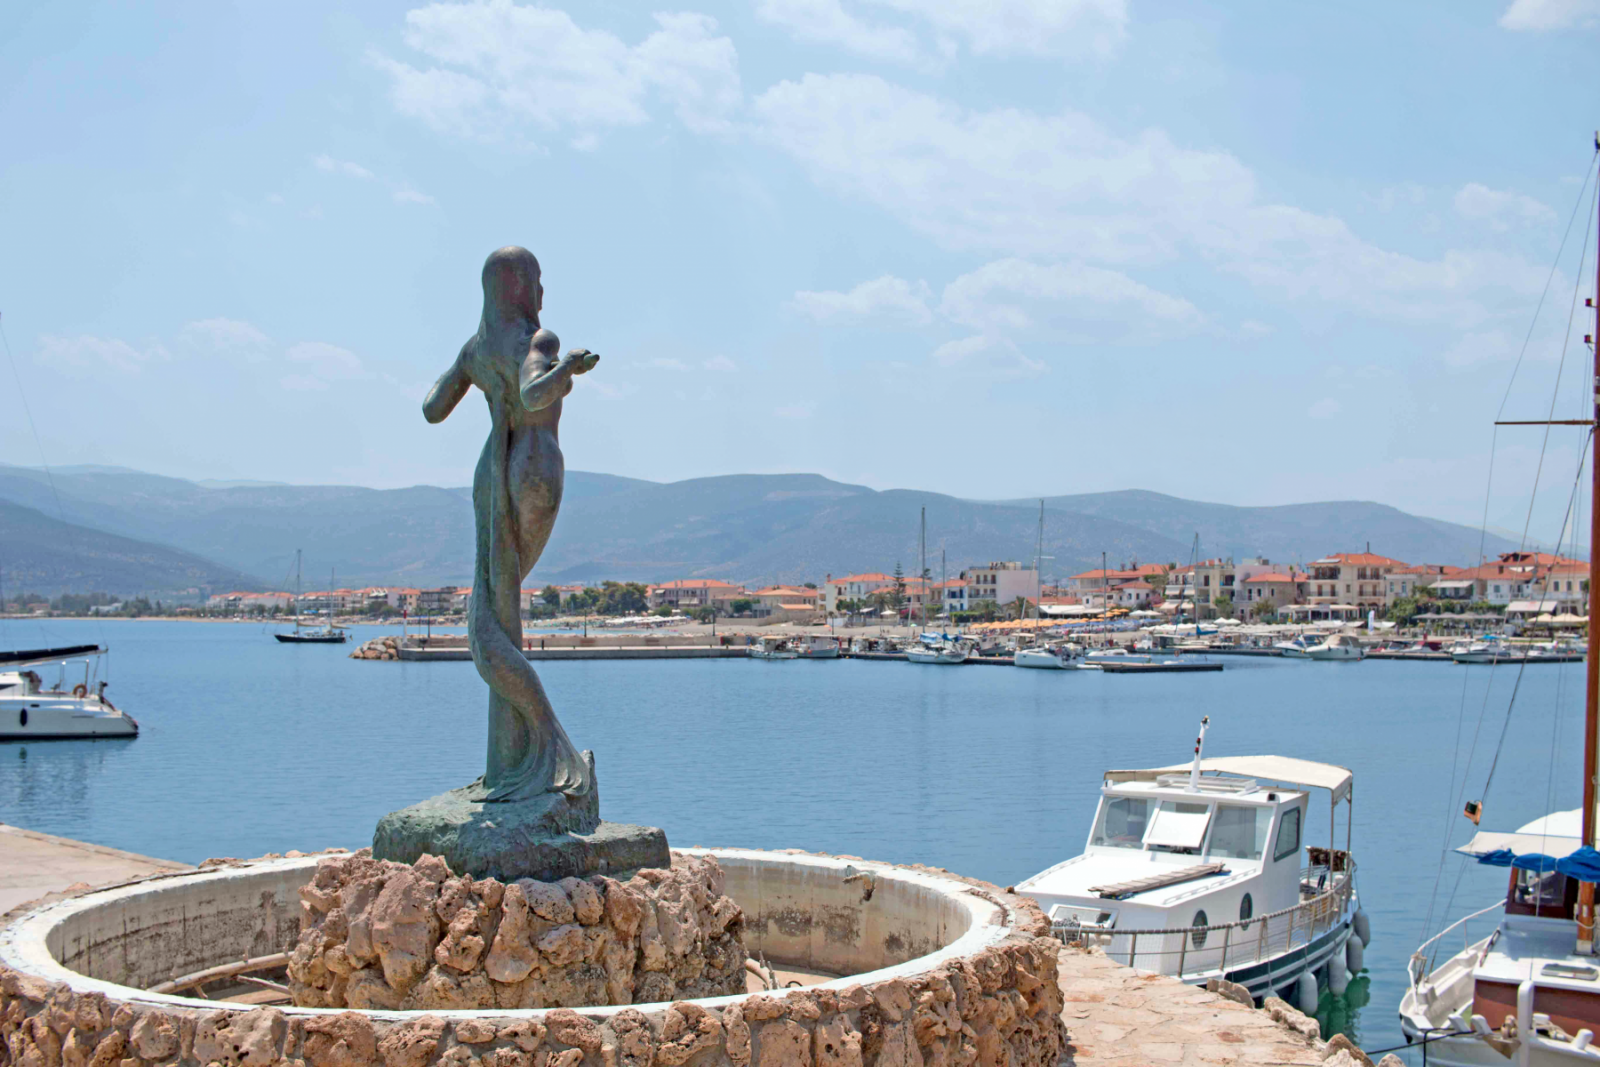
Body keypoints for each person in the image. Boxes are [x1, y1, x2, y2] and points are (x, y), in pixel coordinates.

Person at [423, 247, 598, 802]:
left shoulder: (476, 348)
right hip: (532, 468)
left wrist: (476, 374)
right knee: (495, 613)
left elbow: (432, 407)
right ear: (520, 287)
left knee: (492, 610)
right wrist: (568, 368)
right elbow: (531, 393)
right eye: (538, 283)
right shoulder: (539, 342)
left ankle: (513, 759)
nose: (543, 295)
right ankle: (542, 753)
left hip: (489, 472)